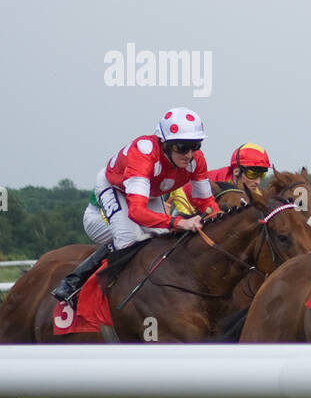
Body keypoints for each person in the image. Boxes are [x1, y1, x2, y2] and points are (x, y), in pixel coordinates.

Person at [51, 108, 221, 304]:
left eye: (195, 146)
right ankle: (73, 283)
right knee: (130, 239)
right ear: (164, 143)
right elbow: (137, 211)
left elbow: (206, 202)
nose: (189, 154)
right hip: (115, 187)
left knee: (164, 240)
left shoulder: (196, 161)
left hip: (148, 192)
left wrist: (219, 221)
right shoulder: (144, 153)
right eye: (182, 146)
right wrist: (179, 222)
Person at [168, 142, 271, 215]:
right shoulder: (223, 183)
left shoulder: (258, 194)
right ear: (236, 171)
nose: (258, 181)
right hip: (185, 195)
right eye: (252, 174)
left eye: (261, 175)